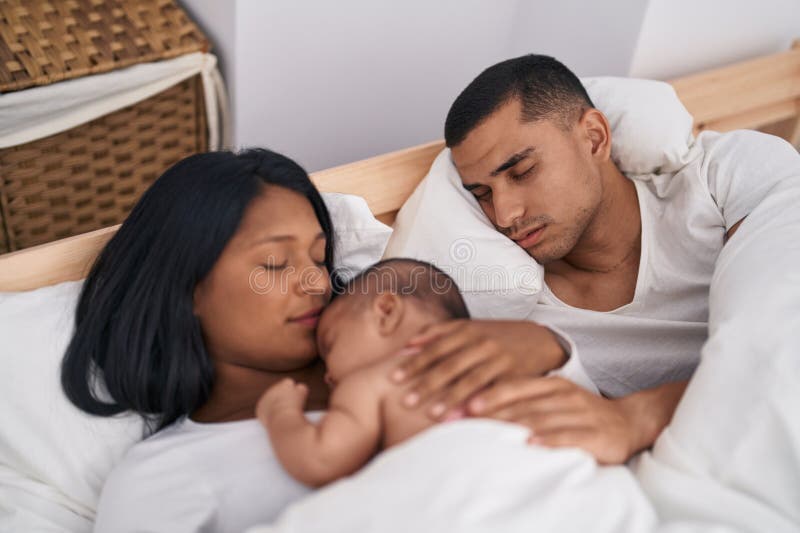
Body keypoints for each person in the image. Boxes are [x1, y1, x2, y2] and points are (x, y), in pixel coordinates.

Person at [389, 54, 800, 465]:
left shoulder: (724, 177)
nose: (505, 213)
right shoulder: (525, 327)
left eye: (523, 171)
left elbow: (779, 337)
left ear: (594, 138)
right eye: (482, 193)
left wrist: (637, 416)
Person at [61, 149, 339, 532]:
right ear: (188, 286)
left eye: (319, 258)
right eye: (274, 263)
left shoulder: (413, 347)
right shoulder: (159, 484)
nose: (319, 282)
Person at [257, 258, 472, 487]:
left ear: (386, 312)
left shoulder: (372, 383)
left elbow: (320, 461)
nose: (327, 375)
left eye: (330, 345)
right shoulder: (481, 361)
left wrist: (281, 412)